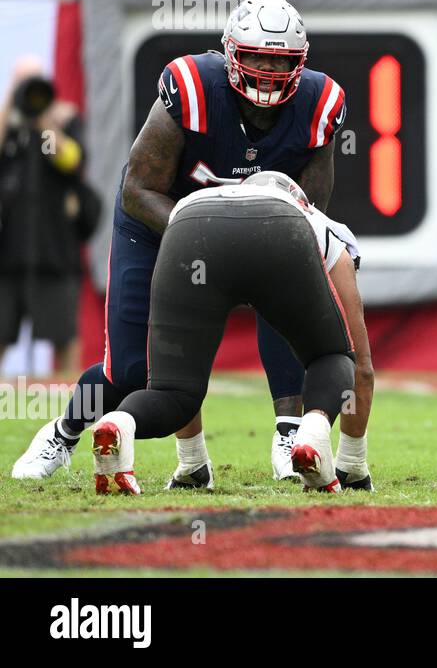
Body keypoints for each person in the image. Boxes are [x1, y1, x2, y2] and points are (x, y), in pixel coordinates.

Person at [11, 0, 365, 490]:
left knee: (292, 301)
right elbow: (138, 191)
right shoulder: (193, 88)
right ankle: (63, 431)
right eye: (257, 57)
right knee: (132, 373)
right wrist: (197, 235)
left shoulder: (318, 104)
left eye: (280, 61)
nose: (267, 71)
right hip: (159, 225)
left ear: (299, 63)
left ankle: (289, 435)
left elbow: (306, 213)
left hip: (258, 230)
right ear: (231, 53)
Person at [88, 171, 372, 494]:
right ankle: (313, 434)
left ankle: (122, 424)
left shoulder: (200, 200)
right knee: (333, 355)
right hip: (279, 230)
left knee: (172, 390)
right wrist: (353, 463)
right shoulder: (312, 219)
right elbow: (361, 366)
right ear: (303, 202)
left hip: (189, 226)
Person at [0, 63, 90, 375]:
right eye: (22, 85)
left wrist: (43, 121)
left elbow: (70, 161)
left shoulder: (60, 122)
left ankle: (70, 399)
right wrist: (9, 108)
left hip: (54, 251)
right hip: (7, 254)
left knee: (63, 336)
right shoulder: (7, 125)